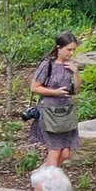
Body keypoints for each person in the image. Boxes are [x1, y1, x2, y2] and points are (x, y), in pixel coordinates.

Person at [28, 31, 81, 168]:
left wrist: (75, 72)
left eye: (74, 50)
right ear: (59, 47)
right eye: (69, 49)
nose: (71, 53)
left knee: (65, 154)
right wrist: (55, 92)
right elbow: (34, 88)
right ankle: (47, 186)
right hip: (49, 113)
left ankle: (41, 176)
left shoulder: (70, 64)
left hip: (66, 113)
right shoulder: (47, 65)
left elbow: (76, 90)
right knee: (55, 151)